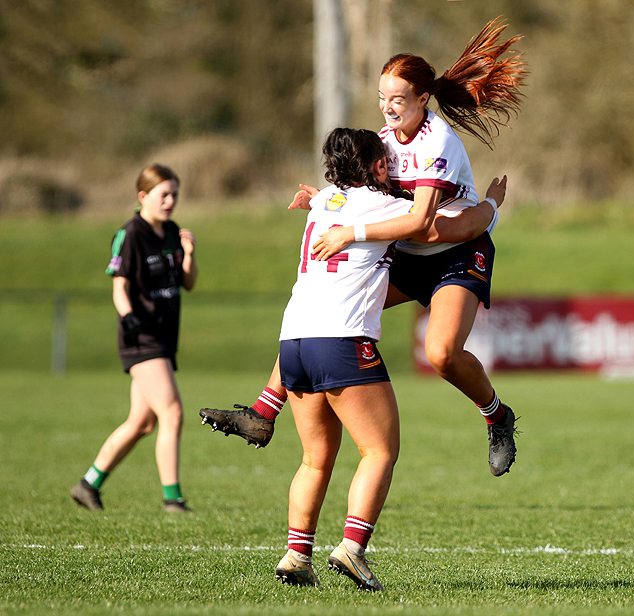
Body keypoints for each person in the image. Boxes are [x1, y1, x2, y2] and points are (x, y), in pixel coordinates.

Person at [200, 17, 526, 477]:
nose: (387, 108)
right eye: (381, 98)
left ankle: (497, 416)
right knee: (322, 311)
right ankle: (262, 413)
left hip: (455, 253)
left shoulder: (440, 142)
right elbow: (369, 198)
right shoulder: (387, 141)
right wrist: (324, 202)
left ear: (423, 98)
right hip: (409, 250)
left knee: (441, 355)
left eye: (398, 99)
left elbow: (426, 225)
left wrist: (488, 208)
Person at [271, 127, 508, 591]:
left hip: (293, 340)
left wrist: (323, 199)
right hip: (341, 342)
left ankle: (296, 554)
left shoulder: (325, 203)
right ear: (379, 166)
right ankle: (352, 548)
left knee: (316, 458)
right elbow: (435, 223)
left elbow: (348, 205)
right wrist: (493, 205)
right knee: (379, 451)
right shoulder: (390, 207)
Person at [70, 164, 198, 514]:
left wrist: (188, 254)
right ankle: (173, 499)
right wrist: (129, 319)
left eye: (174, 194)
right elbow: (119, 287)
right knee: (172, 413)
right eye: (164, 194)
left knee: (142, 422)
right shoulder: (130, 233)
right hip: (141, 338)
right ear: (143, 196)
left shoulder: (173, 232)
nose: (170, 201)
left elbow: (188, 283)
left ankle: (88, 484)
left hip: (164, 338)